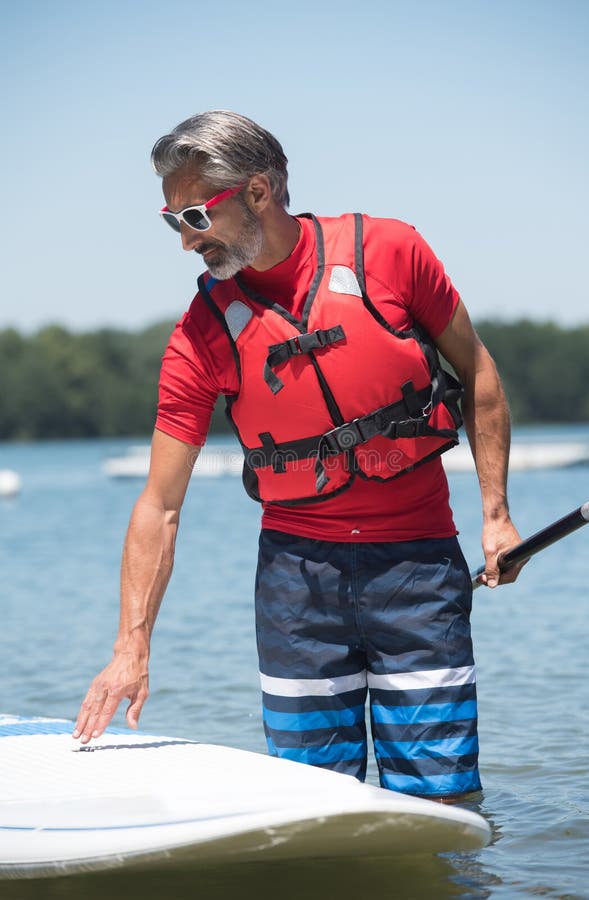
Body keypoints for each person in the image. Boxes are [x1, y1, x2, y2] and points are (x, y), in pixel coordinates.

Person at [74, 110, 522, 801]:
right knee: (314, 804)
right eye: (173, 222)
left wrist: (496, 515)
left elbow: (481, 376)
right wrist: (130, 647)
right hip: (296, 587)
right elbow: (159, 504)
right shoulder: (200, 334)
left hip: (419, 571)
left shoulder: (392, 252)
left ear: (259, 191)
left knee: (442, 801)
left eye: (194, 214)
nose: (187, 239)